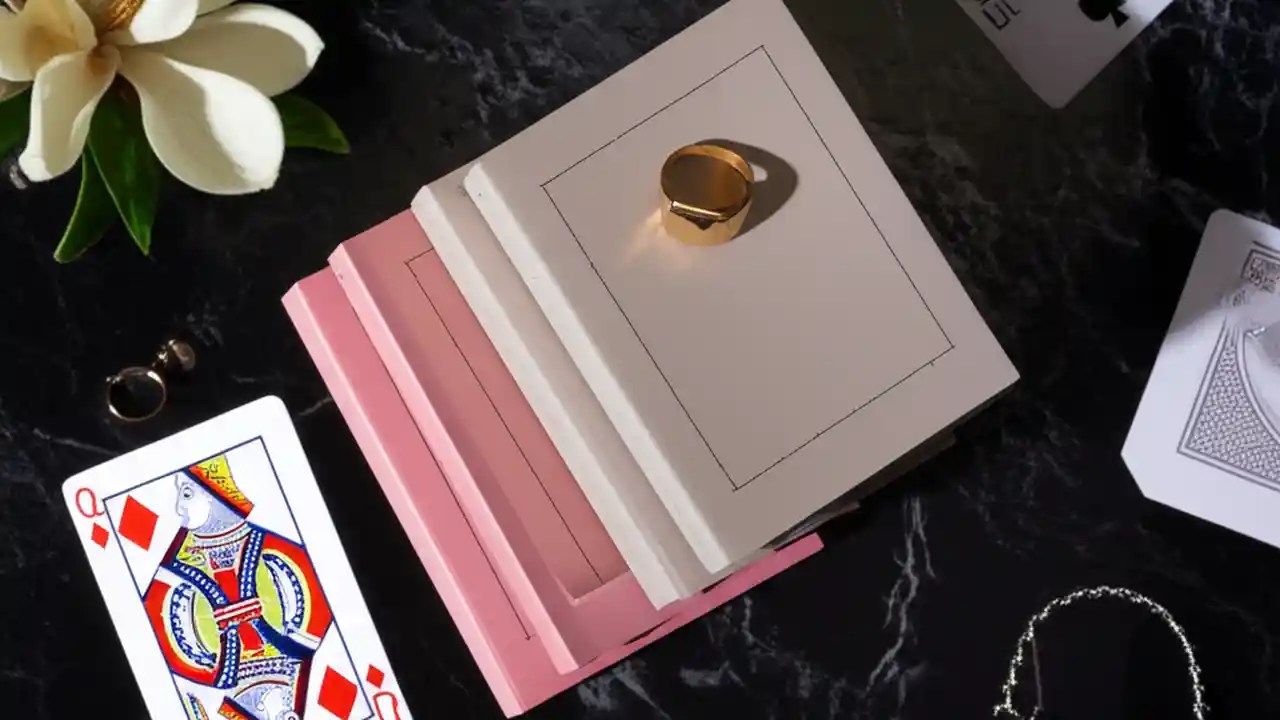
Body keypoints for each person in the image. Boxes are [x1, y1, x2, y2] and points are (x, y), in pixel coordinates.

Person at [142, 456, 333, 720]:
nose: (178, 507)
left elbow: (317, 600)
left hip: (281, 674)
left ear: (212, 495)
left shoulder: (272, 547)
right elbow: (155, 632)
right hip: (220, 687)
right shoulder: (173, 570)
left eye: (187, 493)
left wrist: (270, 631)